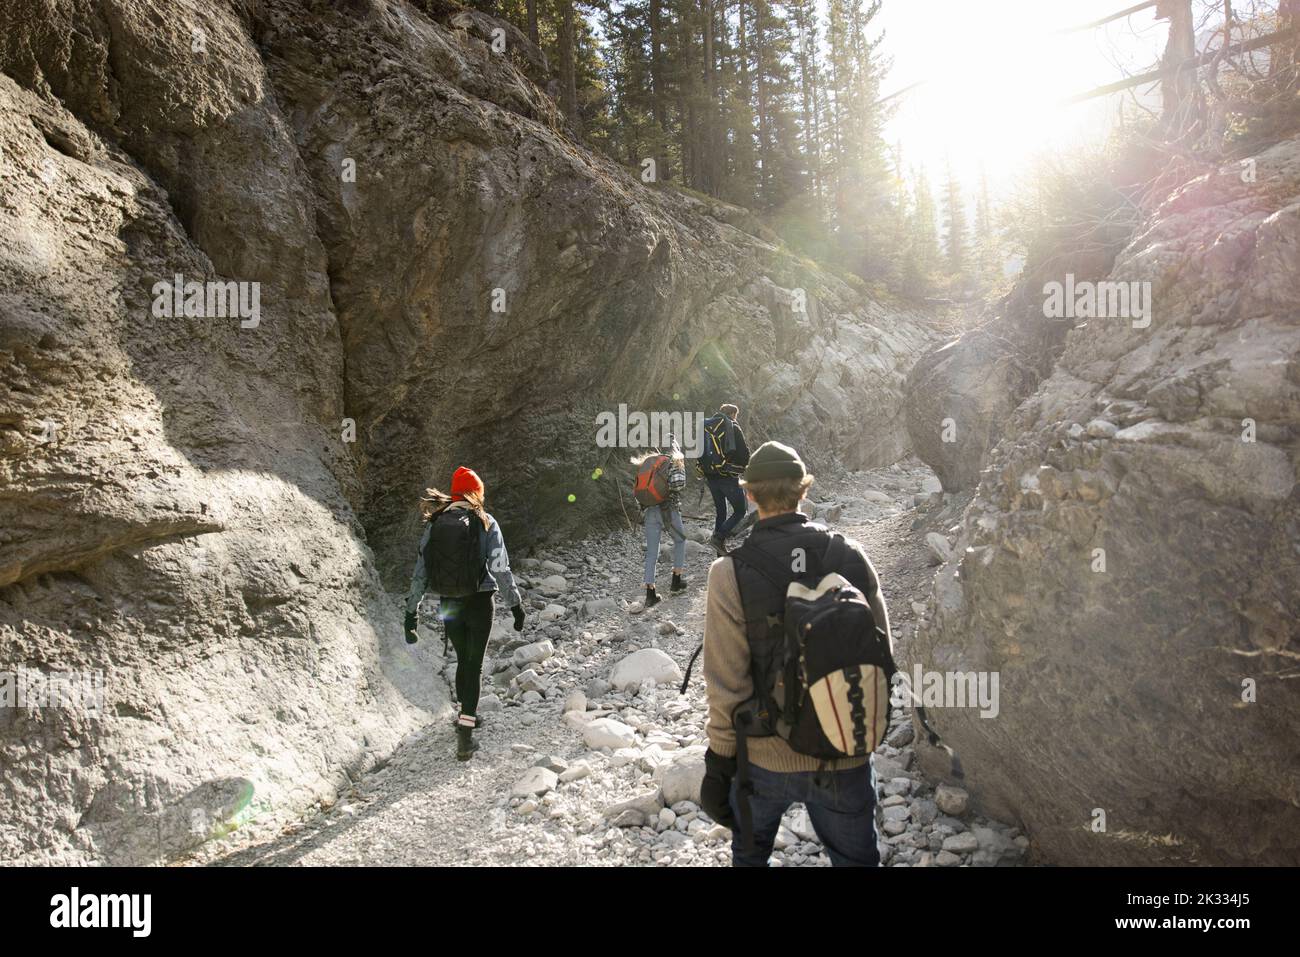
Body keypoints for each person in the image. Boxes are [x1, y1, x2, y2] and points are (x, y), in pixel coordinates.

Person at [698, 441, 891, 866]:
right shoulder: (850, 554)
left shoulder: (728, 573)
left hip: (764, 760)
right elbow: (883, 653)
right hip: (844, 750)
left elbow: (726, 683)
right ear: (803, 490)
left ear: (749, 494)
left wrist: (719, 763)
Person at [404, 466, 524, 761]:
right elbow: (499, 567)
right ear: (477, 494)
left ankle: (465, 714)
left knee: (462, 662)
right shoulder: (486, 521)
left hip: (450, 603)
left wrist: (411, 613)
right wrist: (515, 604)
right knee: (475, 665)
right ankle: (465, 737)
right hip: (480, 601)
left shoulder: (436, 523)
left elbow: (420, 571)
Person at [632, 436, 689, 608]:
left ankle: (650, 594)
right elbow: (679, 484)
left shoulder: (649, 463)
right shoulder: (674, 461)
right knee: (680, 540)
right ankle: (676, 582)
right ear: (675, 447)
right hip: (669, 510)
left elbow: (640, 490)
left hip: (650, 511)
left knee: (652, 552)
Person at [698, 403, 750, 556]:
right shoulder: (732, 426)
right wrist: (741, 467)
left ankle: (719, 551)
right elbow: (744, 453)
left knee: (721, 511)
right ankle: (718, 538)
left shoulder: (706, 426)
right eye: (736, 415)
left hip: (710, 475)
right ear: (733, 413)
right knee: (741, 510)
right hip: (727, 476)